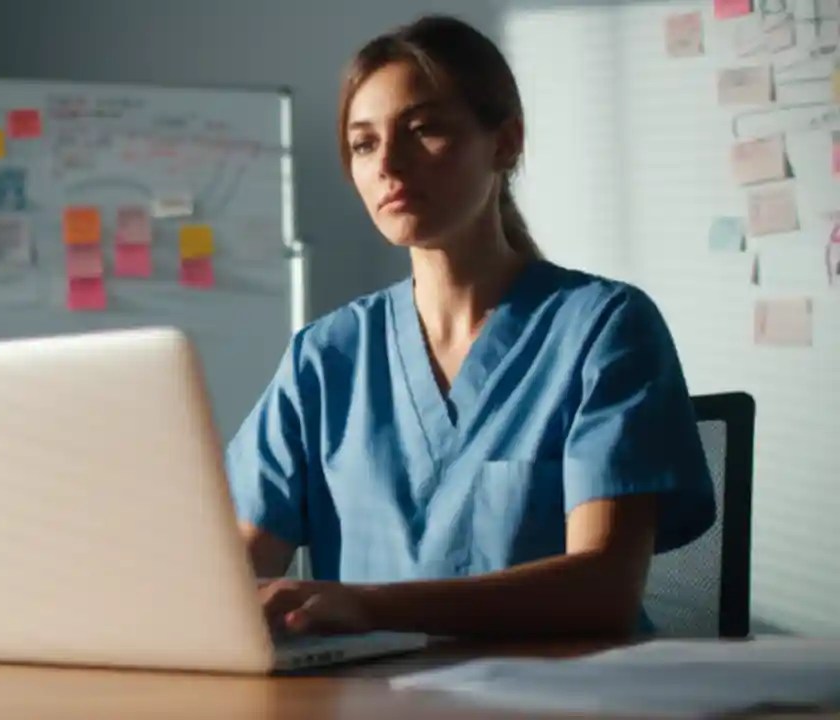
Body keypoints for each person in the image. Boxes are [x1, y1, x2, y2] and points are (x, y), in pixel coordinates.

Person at [225, 15, 716, 639]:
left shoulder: (604, 330)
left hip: (564, 697)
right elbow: (242, 560)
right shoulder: (325, 357)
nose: (389, 163)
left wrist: (369, 606)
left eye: (423, 129)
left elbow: (604, 587)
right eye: (364, 143)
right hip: (369, 697)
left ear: (505, 142)